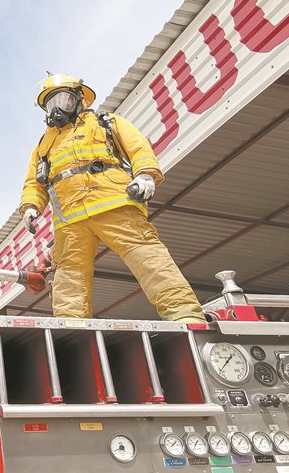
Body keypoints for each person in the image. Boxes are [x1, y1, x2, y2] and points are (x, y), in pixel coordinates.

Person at [19, 74, 203, 321]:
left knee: (148, 258)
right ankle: (74, 331)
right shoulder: (44, 145)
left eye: (63, 100)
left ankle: (185, 316)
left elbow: (138, 147)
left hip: (114, 203)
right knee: (69, 278)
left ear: (78, 100)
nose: (57, 108)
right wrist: (31, 206)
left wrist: (146, 175)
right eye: (51, 104)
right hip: (70, 220)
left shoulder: (105, 122)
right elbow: (34, 182)